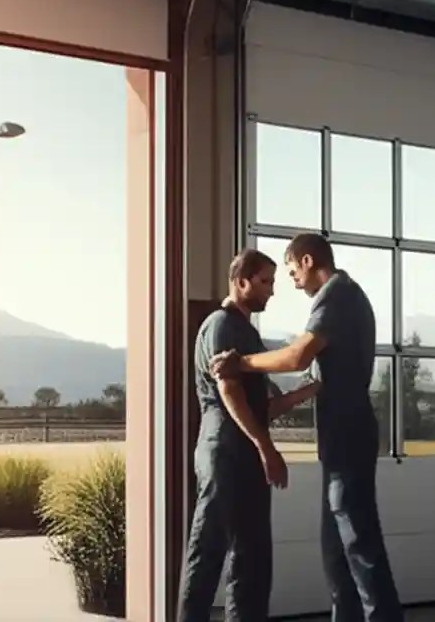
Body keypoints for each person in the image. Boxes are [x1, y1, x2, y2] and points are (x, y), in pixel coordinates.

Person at [211, 233, 403, 622]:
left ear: (309, 261)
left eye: (292, 270)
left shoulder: (338, 295)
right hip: (339, 436)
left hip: (349, 432)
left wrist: (243, 363)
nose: (292, 281)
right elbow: (316, 377)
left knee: (359, 543)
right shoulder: (340, 299)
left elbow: (299, 355)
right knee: (336, 552)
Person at [177, 249, 321, 622]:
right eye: (265, 282)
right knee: (208, 551)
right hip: (223, 452)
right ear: (241, 282)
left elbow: (263, 408)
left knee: (253, 557)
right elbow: (230, 392)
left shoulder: (250, 335)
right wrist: (266, 448)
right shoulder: (220, 325)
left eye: (273, 282)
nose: (271, 291)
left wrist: (304, 392)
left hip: (247, 457)